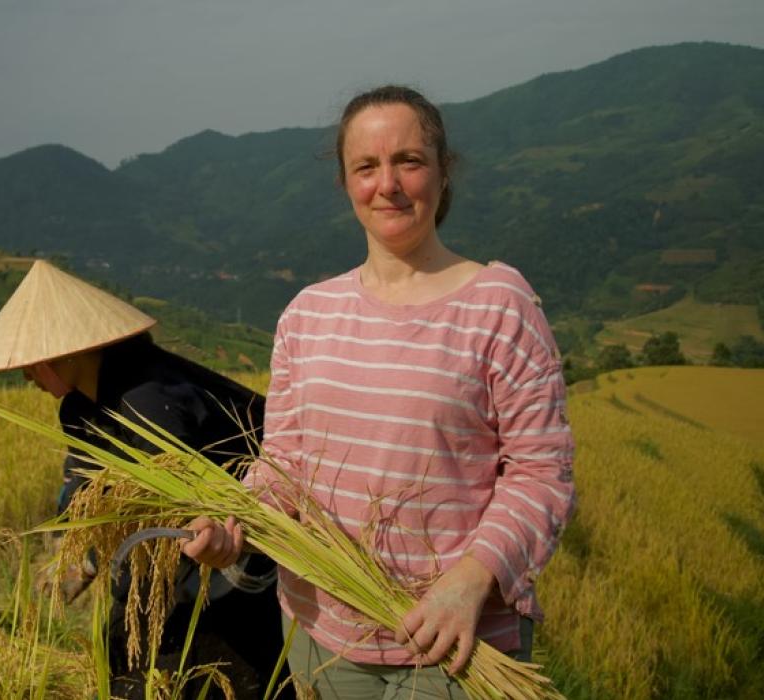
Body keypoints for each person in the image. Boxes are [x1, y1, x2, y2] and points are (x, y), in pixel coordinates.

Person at [183, 85, 577, 699]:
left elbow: (541, 473)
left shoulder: (501, 305)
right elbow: (285, 465)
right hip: (321, 633)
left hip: (453, 642)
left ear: (444, 172)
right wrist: (237, 522)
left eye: (409, 161)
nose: (387, 183)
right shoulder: (307, 315)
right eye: (366, 167)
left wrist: (472, 580)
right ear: (345, 183)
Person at [0, 260, 291, 699]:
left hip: (234, 561)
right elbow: (85, 495)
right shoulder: (80, 408)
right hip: (170, 565)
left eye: (34, 363)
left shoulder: (151, 402)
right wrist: (81, 559)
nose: (26, 376)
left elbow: (183, 517)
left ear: (71, 351)